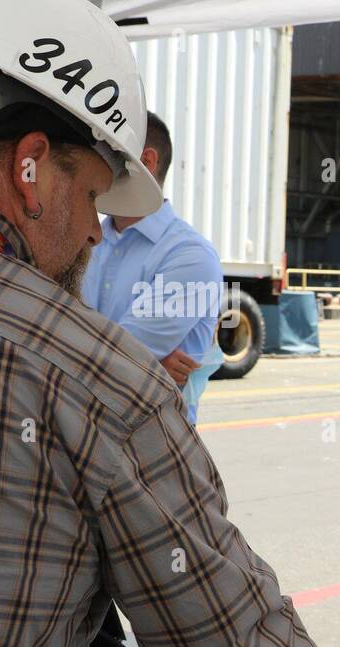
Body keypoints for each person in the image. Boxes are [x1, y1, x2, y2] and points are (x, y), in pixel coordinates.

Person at [0, 0, 340, 647]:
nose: (96, 228)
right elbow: (211, 614)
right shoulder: (87, 374)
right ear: (28, 169)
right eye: (91, 194)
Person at [81, 112, 223, 425]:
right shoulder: (82, 242)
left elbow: (117, 359)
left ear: (146, 160)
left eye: (104, 150)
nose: (88, 158)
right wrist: (152, 366)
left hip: (150, 448)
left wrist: (140, 364)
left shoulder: (191, 256)